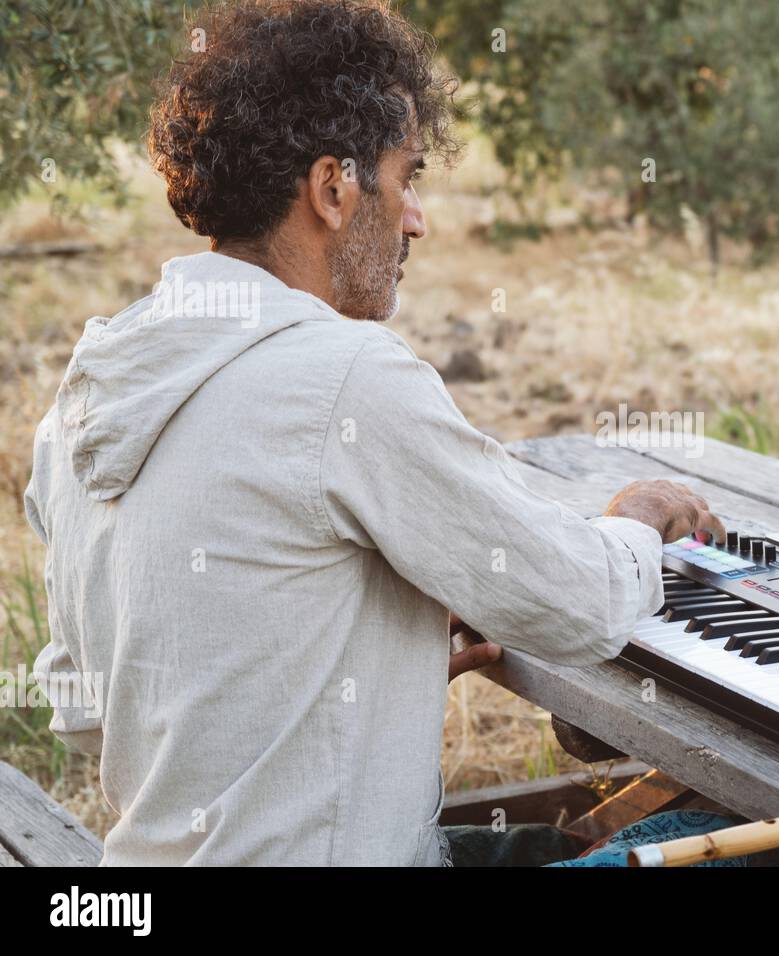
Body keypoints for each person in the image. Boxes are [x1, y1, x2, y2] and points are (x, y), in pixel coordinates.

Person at [24, 0, 730, 866]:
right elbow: (576, 604)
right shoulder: (344, 376)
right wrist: (639, 510)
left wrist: (350, 669)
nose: (416, 219)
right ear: (333, 188)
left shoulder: (89, 392)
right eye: (407, 178)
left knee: (567, 836)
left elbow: (91, 712)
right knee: (732, 844)